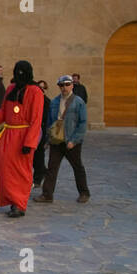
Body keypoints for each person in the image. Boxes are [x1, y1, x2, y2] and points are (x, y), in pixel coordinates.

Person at [0, 61, 44, 218]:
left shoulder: (35, 92)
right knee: (4, 168)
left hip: (23, 136)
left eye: (23, 71)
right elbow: (3, 110)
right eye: (17, 71)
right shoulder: (11, 89)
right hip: (8, 134)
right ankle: (11, 199)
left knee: (21, 171)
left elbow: (36, 119)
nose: (19, 74)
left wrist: (30, 142)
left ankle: (19, 204)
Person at [35, 75, 90, 203]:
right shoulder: (54, 102)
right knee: (52, 168)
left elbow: (82, 123)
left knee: (77, 167)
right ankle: (47, 194)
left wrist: (74, 140)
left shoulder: (78, 102)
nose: (64, 87)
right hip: (56, 141)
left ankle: (84, 193)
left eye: (66, 84)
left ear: (72, 85)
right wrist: (48, 140)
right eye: (61, 85)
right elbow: (50, 122)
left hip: (71, 140)